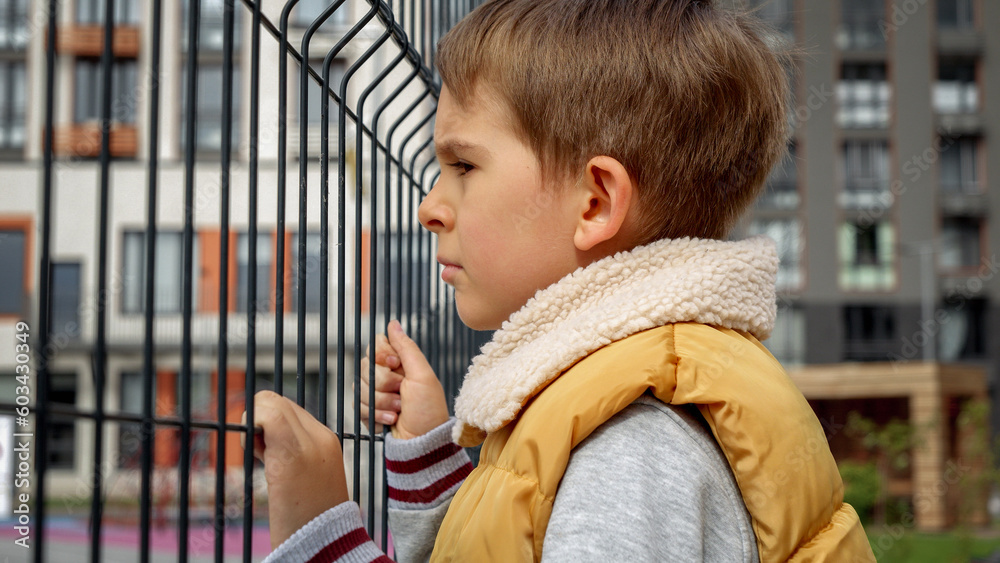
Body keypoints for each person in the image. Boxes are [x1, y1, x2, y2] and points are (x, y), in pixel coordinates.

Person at [248, 0, 877, 561]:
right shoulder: (619, 402)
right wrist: (428, 460)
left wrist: (321, 536)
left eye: (463, 164)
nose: (430, 207)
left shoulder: (630, 451)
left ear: (595, 203)